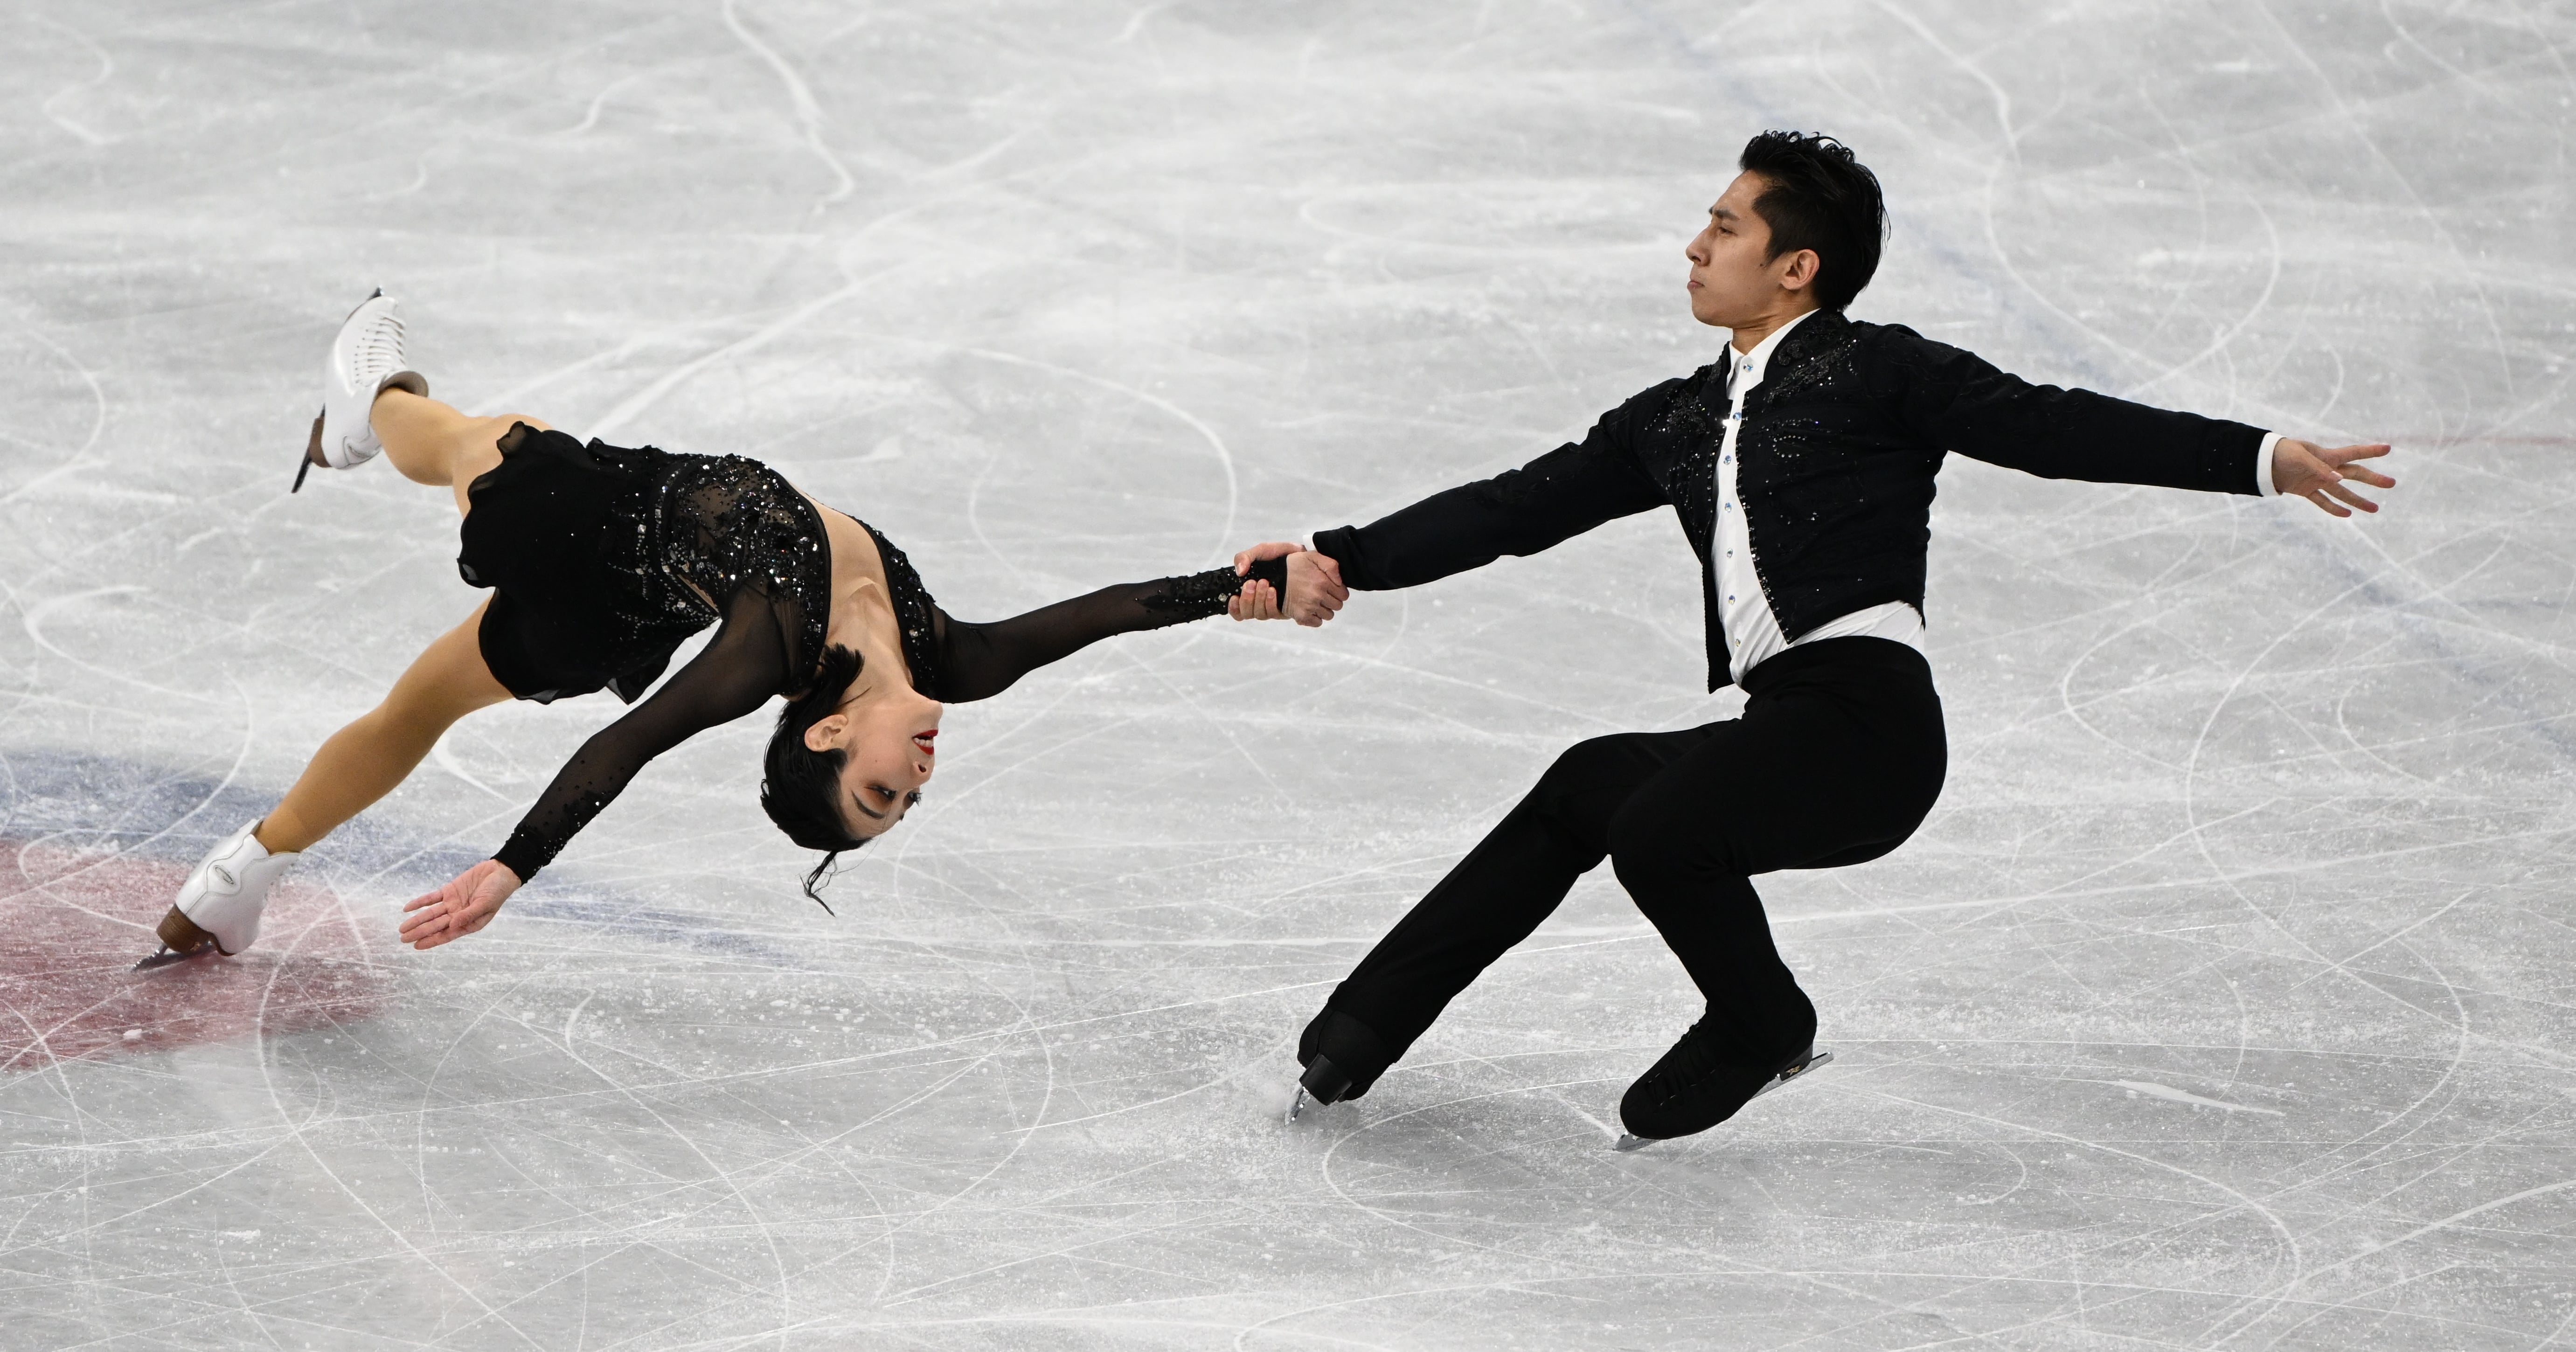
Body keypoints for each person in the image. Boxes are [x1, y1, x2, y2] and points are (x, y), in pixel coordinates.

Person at [1231, 131, 2396, 1149]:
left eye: (1724, 226)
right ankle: (1352, 1037)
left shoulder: (1877, 371)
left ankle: (1762, 1024)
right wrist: (1331, 556)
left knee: (1659, 825)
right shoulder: (1672, 419)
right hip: (1780, 724)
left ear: (1796, 267)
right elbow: (1511, 507)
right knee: (1587, 785)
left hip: (1869, 733)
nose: (1694, 246)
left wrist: (2255, 457)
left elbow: (2050, 425)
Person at [141, 291, 1292, 968]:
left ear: (835, 741)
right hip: (629, 608)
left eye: (883, 795)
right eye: (908, 803)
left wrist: (511, 868)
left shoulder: (767, 653)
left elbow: (623, 748)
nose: (918, 782)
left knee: (472, 446)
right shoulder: (955, 660)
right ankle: (239, 873)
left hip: (594, 533)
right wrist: (1238, 585)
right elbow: (1103, 617)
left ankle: (366, 402)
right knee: (421, 705)